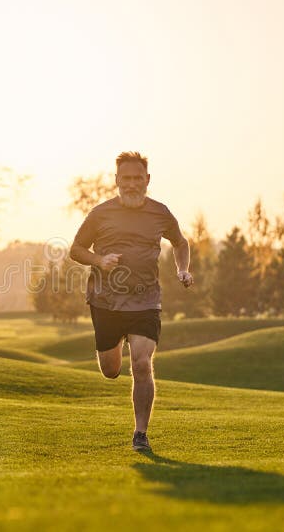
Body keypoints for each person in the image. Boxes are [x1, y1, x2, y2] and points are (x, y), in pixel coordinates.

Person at [70, 151, 193, 452]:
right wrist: (99, 260)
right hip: (105, 301)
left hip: (146, 301)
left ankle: (140, 433)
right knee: (111, 370)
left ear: (147, 180)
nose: (132, 184)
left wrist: (182, 269)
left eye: (138, 178)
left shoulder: (160, 213)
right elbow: (76, 249)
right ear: (117, 181)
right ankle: (115, 348)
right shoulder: (100, 213)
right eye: (126, 178)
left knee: (141, 363)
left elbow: (180, 242)